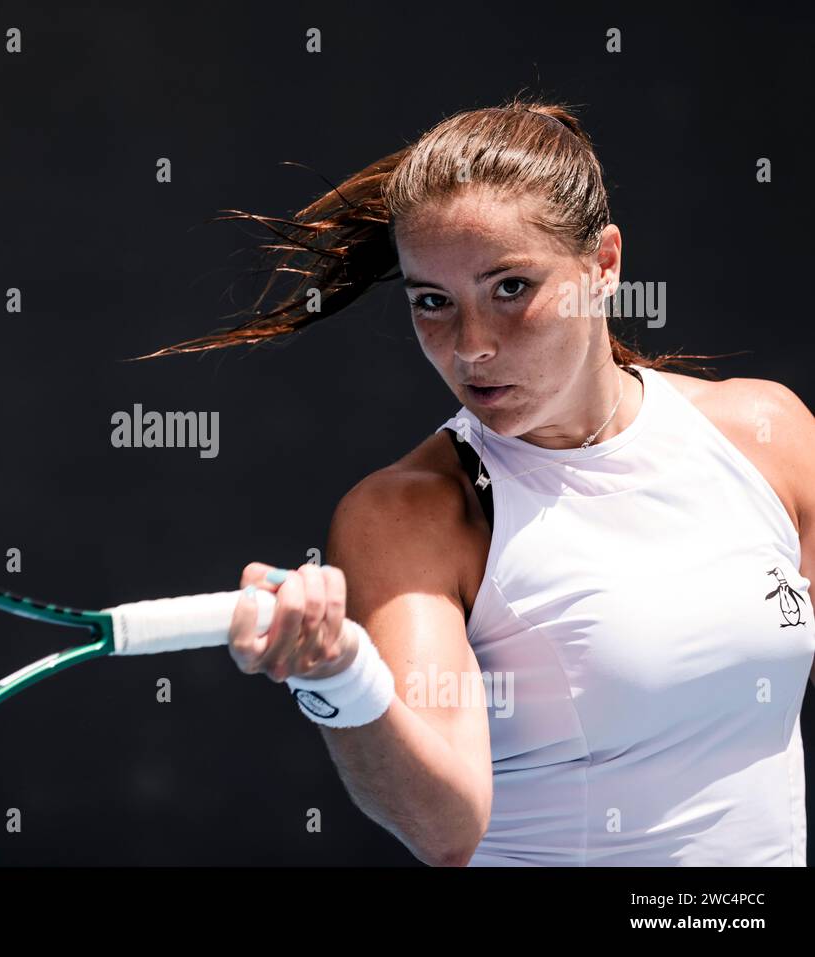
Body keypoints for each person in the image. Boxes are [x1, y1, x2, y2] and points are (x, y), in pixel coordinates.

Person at [148, 97, 815, 866]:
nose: (470, 348)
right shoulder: (407, 516)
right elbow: (444, 828)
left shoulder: (770, 434)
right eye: (432, 302)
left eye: (510, 288)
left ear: (604, 266)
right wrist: (338, 676)